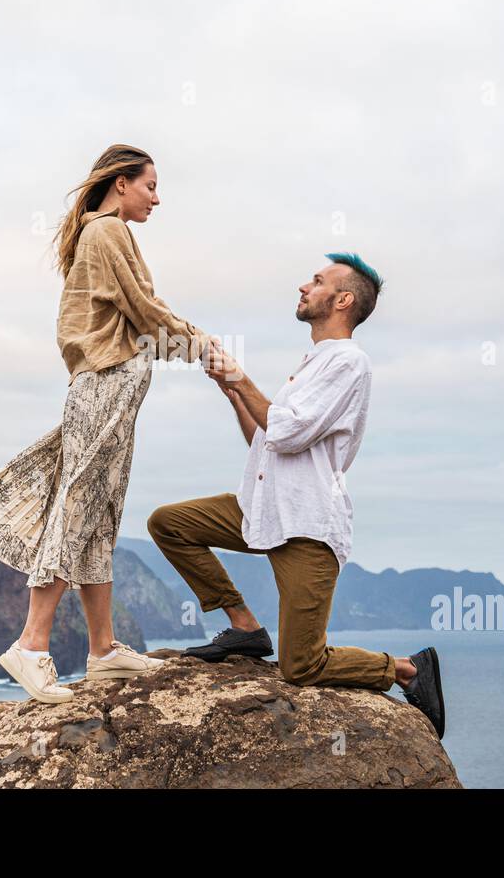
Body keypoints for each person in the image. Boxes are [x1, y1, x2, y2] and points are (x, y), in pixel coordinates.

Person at [0, 144, 216, 704]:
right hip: (105, 385)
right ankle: (30, 646)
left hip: (109, 388)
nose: (156, 197)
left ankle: (102, 650)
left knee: (99, 515)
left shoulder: (99, 234)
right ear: (121, 183)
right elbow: (145, 310)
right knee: (78, 507)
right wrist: (201, 347)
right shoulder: (108, 232)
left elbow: (139, 309)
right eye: (150, 185)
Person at [146, 254, 446, 738]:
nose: (303, 286)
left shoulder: (350, 362)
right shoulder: (312, 363)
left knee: (301, 665)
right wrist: (233, 393)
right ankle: (244, 627)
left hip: (306, 525)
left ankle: (406, 669)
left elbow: (286, 433)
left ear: (343, 300)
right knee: (169, 523)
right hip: (262, 508)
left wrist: (242, 378)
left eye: (318, 281)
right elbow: (265, 441)